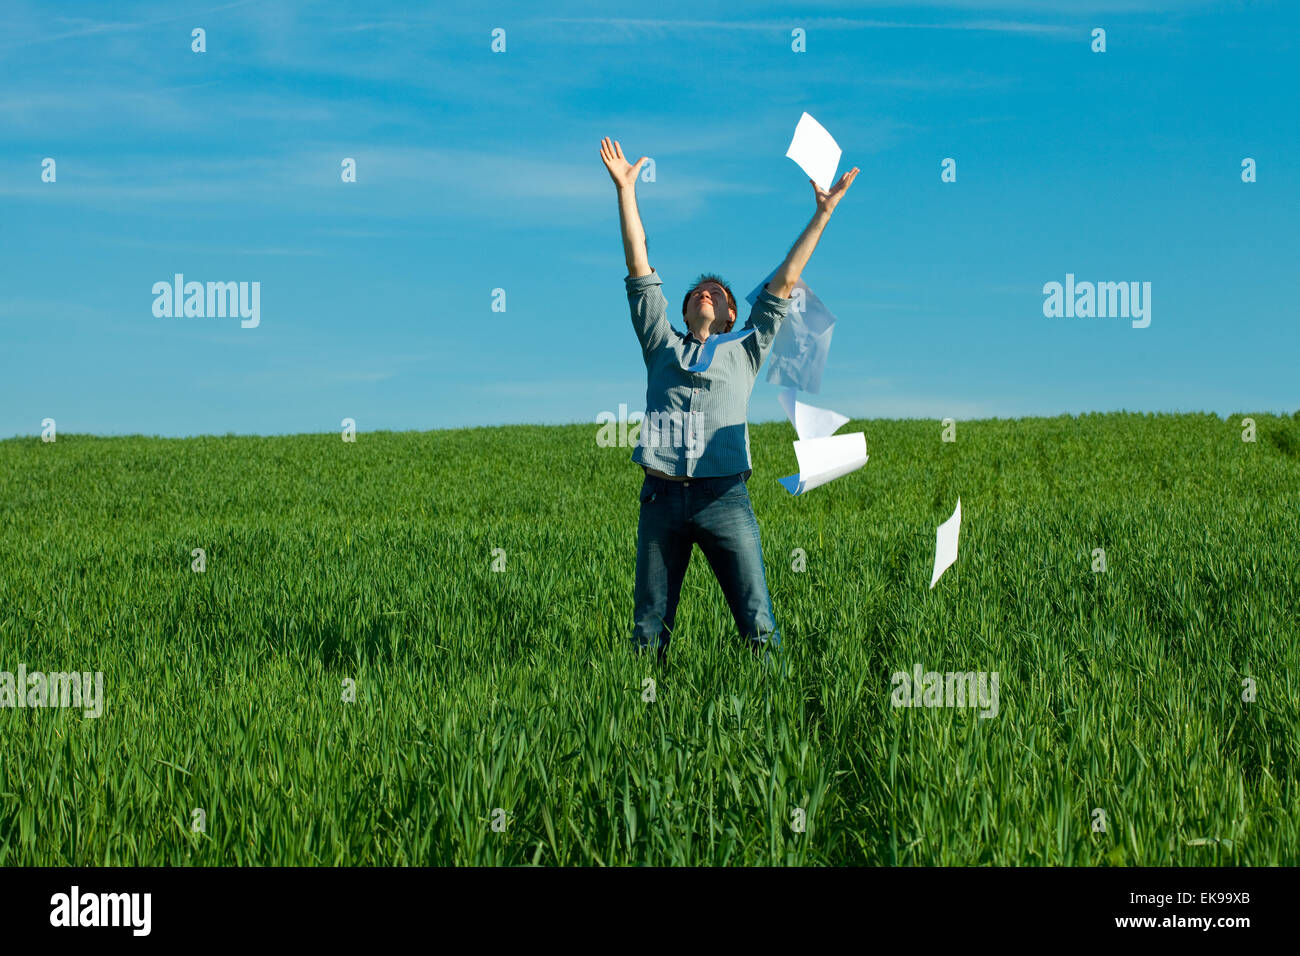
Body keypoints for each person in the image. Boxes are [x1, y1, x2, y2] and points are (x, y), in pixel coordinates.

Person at [599, 136, 858, 667]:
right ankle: (639, 723)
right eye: (698, 291)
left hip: (725, 499)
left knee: (757, 622)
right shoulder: (661, 343)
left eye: (717, 293)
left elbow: (784, 282)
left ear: (731, 316)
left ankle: (770, 715)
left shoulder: (745, 347)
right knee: (648, 631)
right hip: (661, 497)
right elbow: (640, 269)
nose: (705, 293)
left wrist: (823, 214)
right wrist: (627, 190)